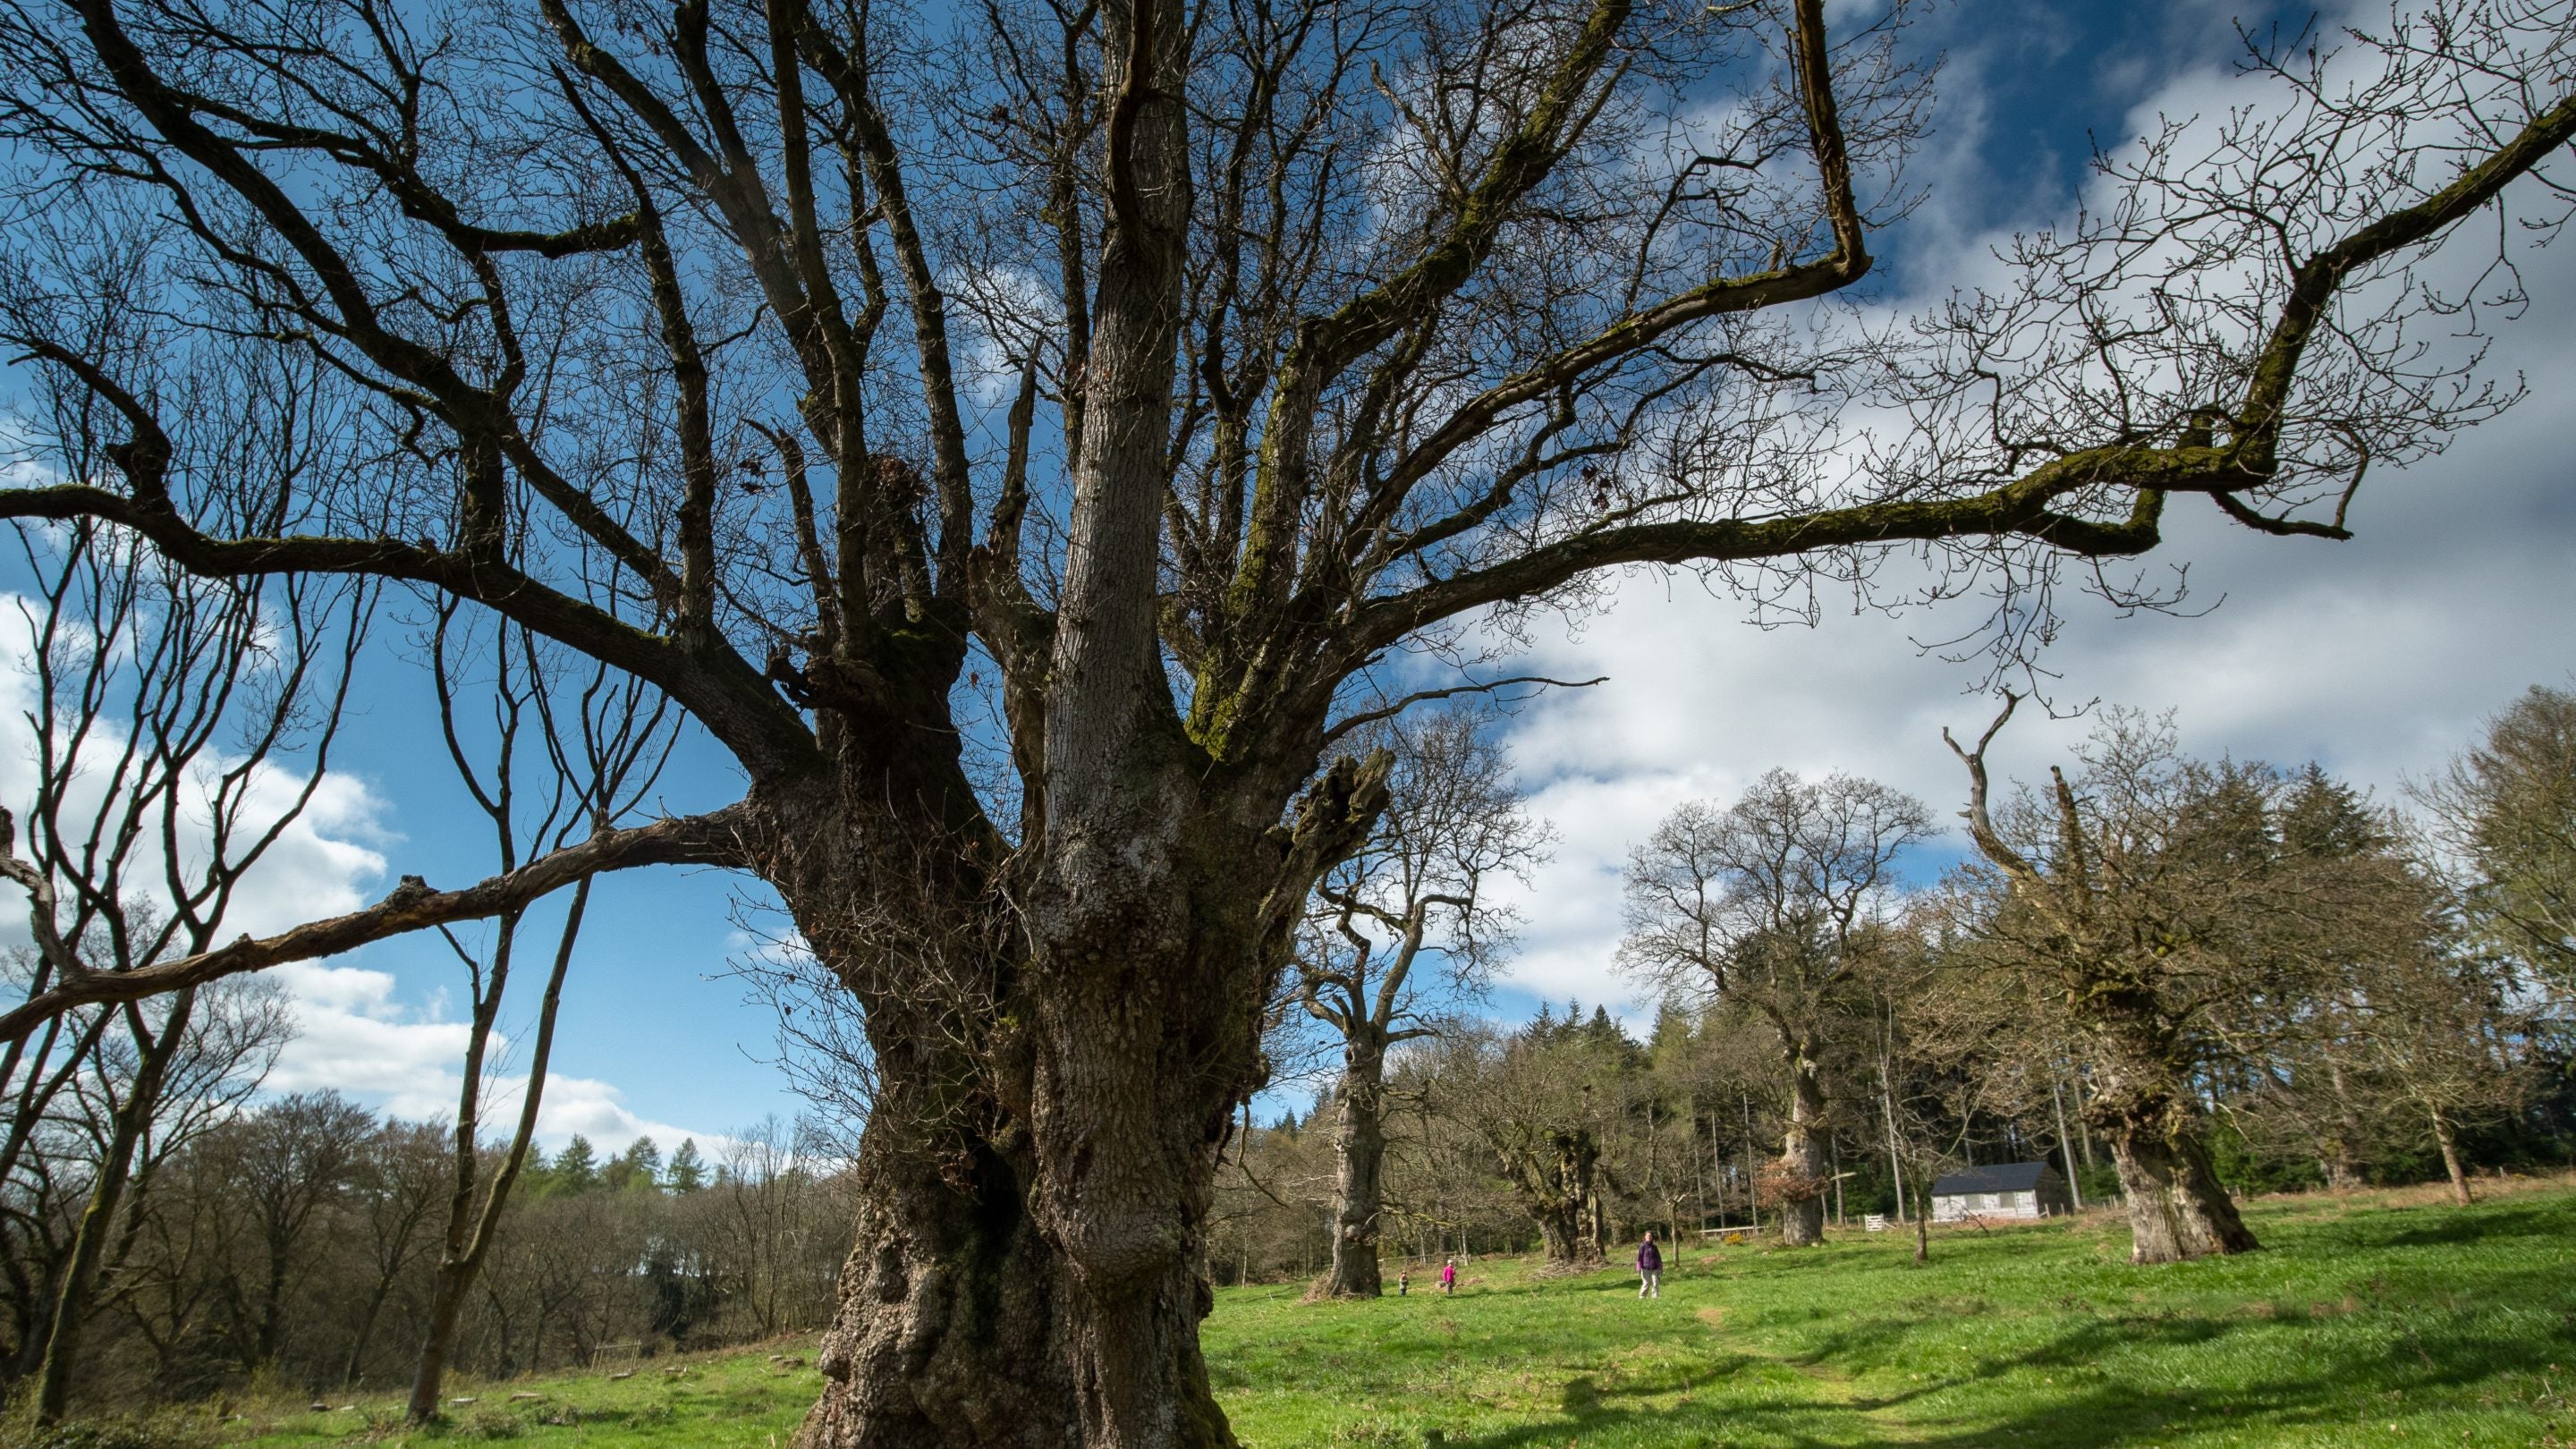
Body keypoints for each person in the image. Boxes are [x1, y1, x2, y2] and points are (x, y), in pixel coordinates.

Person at [1636, 1232, 1663, 1299]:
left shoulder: (1654, 1247)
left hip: (1654, 1268)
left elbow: (1658, 1258)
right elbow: (1639, 1257)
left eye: (1650, 1236)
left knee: (1655, 1282)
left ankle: (1655, 1297)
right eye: (1648, 1236)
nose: (1649, 1237)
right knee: (1646, 1283)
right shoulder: (1642, 1246)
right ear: (1645, 1237)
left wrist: (1660, 1268)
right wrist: (1638, 1268)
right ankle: (1642, 1297)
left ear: (1652, 1237)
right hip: (1645, 1268)